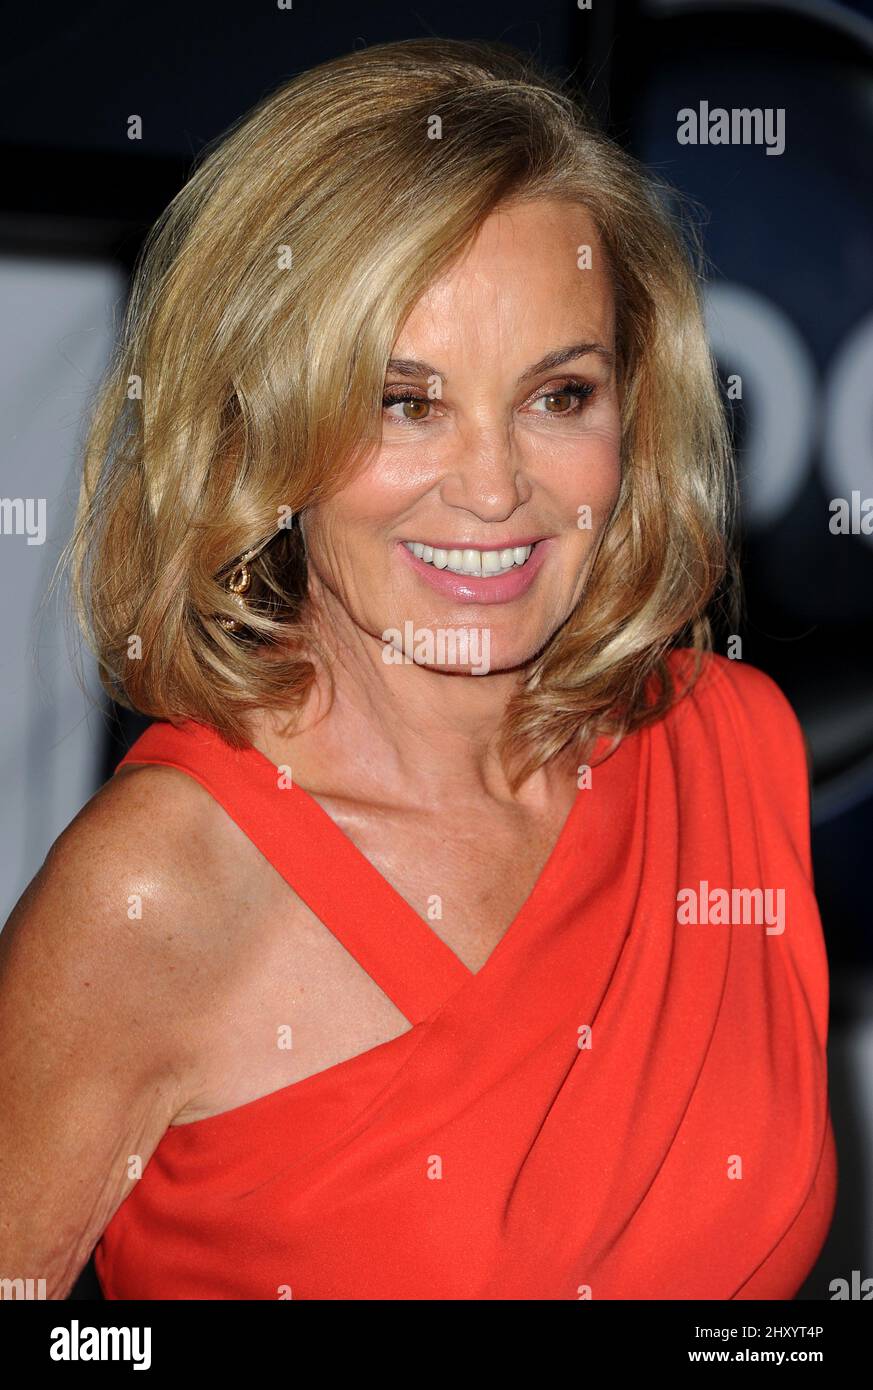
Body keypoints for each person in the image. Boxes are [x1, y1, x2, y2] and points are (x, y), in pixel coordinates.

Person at [0, 37, 836, 1300]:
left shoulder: (726, 745)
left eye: (559, 396)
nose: (495, 488)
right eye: (406, 401)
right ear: (263, 429)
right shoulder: (156, 894)